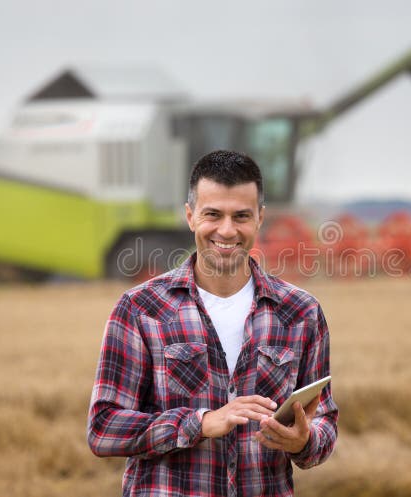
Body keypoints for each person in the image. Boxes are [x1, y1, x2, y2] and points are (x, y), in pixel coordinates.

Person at [87, 150, 338, 497]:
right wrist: (200, 423)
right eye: (213, 214)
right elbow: (103, 428)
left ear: (260, 218)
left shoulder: (301, 313)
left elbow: (324, 421)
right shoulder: (140, 310)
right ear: (190, 216)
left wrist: (304, 440)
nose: (227, 230)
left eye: (241, 216)